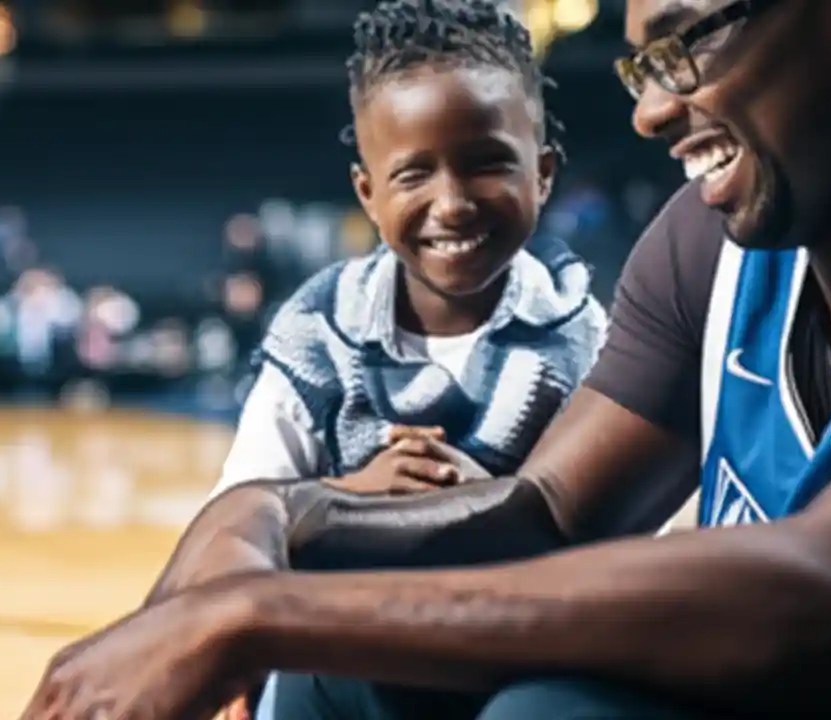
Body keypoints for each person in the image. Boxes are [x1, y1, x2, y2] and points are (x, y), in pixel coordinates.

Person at [19, 0, 831, 718]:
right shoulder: (701, 246)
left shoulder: (595, 301)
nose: (650, 113)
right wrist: (281, 513)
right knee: (356, 673)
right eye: (644, 65)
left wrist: (260, 611)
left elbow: (819, 595)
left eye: (692, 41)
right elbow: (550, 512)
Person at [213, 0, 606, 503]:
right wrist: (344, 495)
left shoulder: (588, 341)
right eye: (414, 174)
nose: (453, 205)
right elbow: (234, 521)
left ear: (543, 175)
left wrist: (500, 506)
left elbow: (617, 542)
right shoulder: (317, 333)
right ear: (368, 194)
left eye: (488, 164)